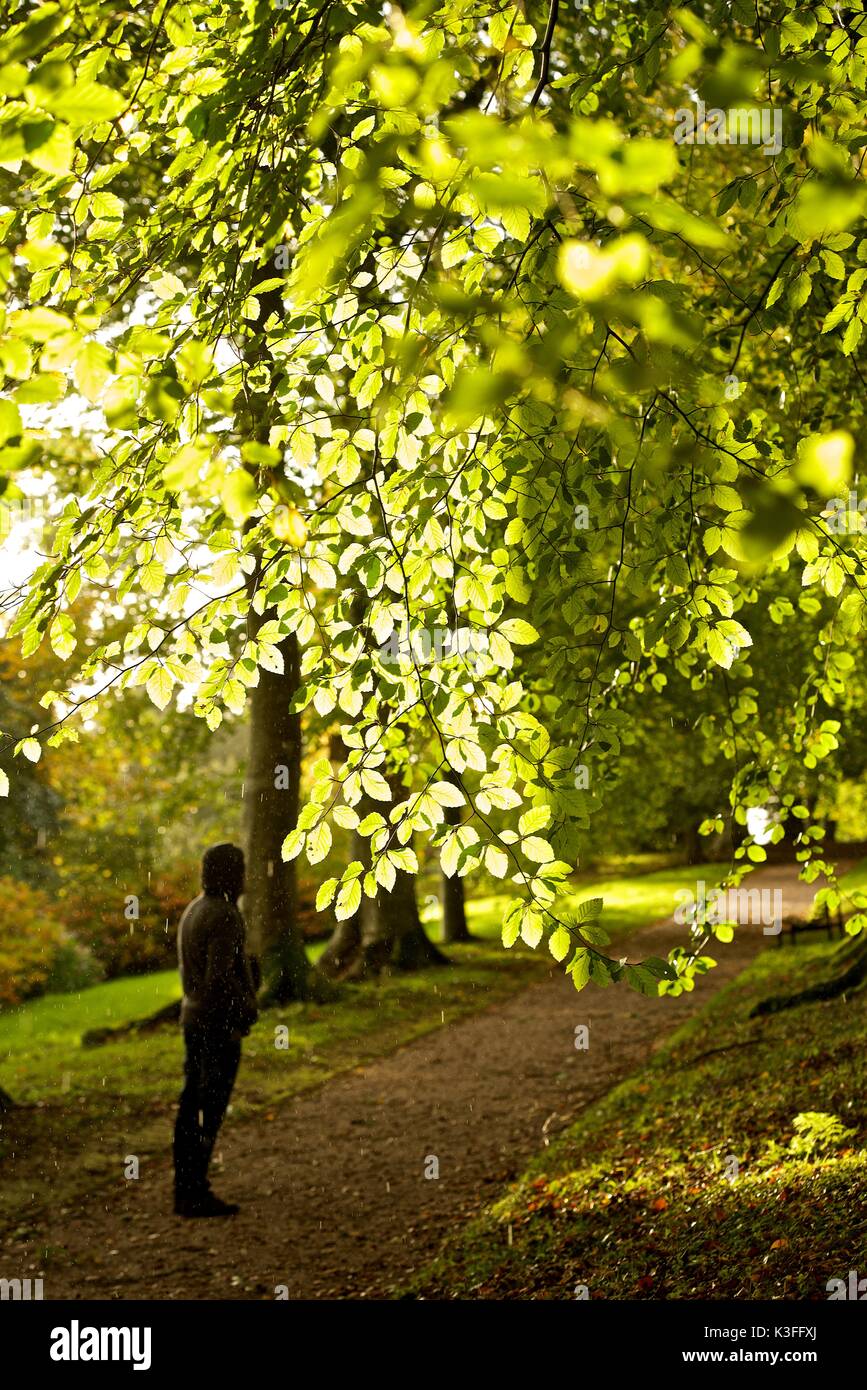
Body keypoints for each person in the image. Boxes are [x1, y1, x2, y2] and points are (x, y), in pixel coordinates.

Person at [173, 843, 258, 1217]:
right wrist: (245, 1011)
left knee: (192, 1103)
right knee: (209, 1107)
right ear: (230, 874)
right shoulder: (224, 915)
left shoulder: (195, 909)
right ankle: (193, 1190)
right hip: (216, 1024)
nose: (245, 878)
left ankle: (186, 1186)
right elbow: (219, 977)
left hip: (193, 1018)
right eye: (241, 870)